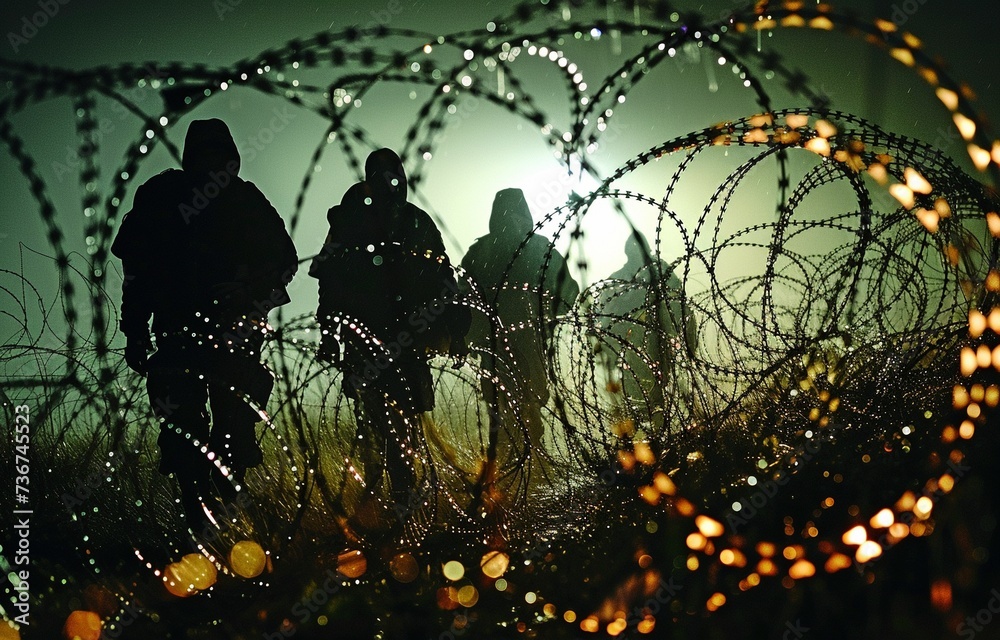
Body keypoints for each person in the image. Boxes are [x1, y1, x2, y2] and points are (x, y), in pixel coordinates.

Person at [111, 118, 298, 529]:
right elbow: (137, 270)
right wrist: (135, 330)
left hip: (235, 327)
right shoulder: (161, 196)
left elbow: (284, 261)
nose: (212, 164)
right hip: (177, 328)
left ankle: (226, 505)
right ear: (191, 157)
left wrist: (246, 291)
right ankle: (197, 514)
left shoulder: (246, 201)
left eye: (219, 155)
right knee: (183, 426)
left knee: (234, 422)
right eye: (204, 154)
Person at [309, 148, 469, 499]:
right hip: (371, 335)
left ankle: (398, 492)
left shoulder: (412, 221)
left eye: (395, 175)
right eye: (385, 177)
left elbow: (442, 276)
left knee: (397, 419)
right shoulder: (354, 221)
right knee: (378, 420)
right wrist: (328, 331)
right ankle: (390, 492)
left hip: (404, 334)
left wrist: (455, 329)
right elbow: (330, 279)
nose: (392, 184)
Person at [460, 188, 579, 464]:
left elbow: (566, 294)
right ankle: (525, 470)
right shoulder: (533, 247)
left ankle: (523, 470)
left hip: (509, 343)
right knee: (513, 413)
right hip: (509, 344)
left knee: (515, 412)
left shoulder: (485, 251)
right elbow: (567, 294)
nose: (511, 221)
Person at [593, 232, 696, 426]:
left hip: (653, 346)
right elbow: (605, 319)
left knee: (653, 397)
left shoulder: (655, 272)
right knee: (645, 399)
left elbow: (677, 304)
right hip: (635, 351)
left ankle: (654, 436)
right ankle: (651, 437)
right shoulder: (622, 280)